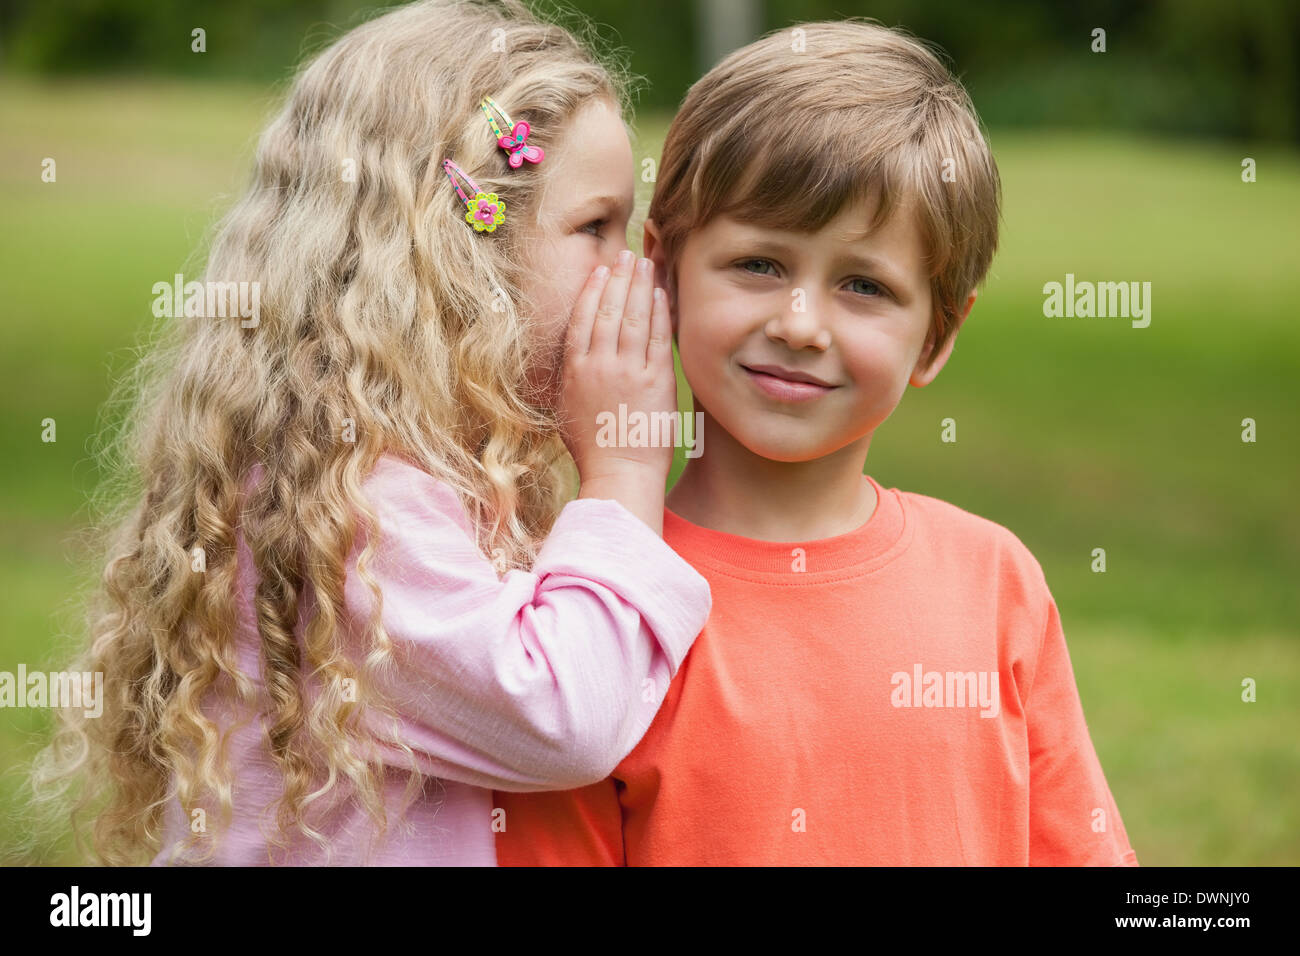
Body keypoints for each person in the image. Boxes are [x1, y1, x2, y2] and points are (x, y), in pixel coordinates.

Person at [30, 0, 708, 866]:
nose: (632, 272)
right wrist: (622, 469)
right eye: (594, 228)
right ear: (455, 249)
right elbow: (563, 718)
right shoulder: (356, 503)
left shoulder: (373, 465)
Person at [494, 19, 1139, 866]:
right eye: (759, 264)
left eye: (864, 285)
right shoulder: (590, 614)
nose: (800, 326)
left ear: (939, 336)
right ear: (663, 270)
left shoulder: (996, 582)